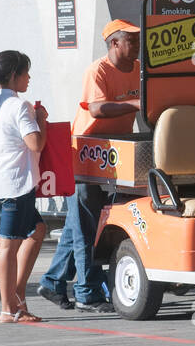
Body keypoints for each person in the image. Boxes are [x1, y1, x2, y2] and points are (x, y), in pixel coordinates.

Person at [37, 19, 141, 314]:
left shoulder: (136, 70)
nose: (136, 47)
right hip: (87, 153)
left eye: (137, 40)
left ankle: (53, 281)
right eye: (130, 41)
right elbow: (96, 108)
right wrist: (136, 104)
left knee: (81, 224)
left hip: (116, 152)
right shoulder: (98, 70)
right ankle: (87, 293)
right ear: (114, 44)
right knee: (87, 227)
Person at [0, 51, 48, 324]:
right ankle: (9, 308)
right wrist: (41, 119)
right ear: (13, 75)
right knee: (8, 245)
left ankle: (17, 296)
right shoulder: (19, 106)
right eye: (26, 73)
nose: (29, 78)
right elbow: (36, 144)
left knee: (37, 229)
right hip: (16, 184)